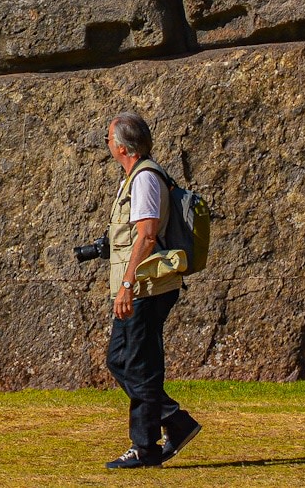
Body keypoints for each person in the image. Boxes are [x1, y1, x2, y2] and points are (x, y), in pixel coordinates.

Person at [102, 112, 202, 469]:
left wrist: (126, 285)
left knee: (135, 363)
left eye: (109, 139)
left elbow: (146, 234)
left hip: (145, 286)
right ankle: (172, 424)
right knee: (123, 360)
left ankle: (147, 447)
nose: (108, 145)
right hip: (144, 285)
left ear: (122, 146)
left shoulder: (144, 179)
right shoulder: (138, 177)